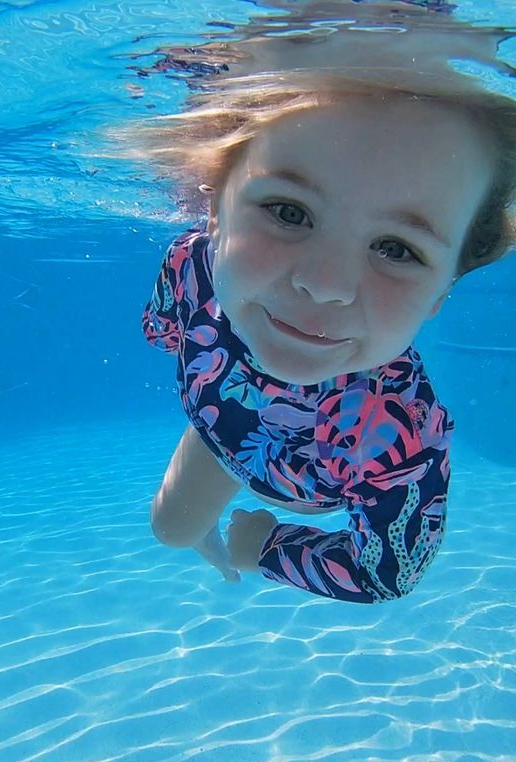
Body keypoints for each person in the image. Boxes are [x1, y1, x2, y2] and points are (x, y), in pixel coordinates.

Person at [128, 15, 516, 604]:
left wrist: (270, 549)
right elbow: (161, 326)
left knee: (222, 539)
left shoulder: (401, 434)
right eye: (288, 211)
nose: (324, 285)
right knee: (171, 531)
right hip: (219, 431)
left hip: (309, 480)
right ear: (215, 213)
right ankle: (202, 528)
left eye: (396, 249)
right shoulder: (191, 263)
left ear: (440, 294)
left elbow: (386, 573)